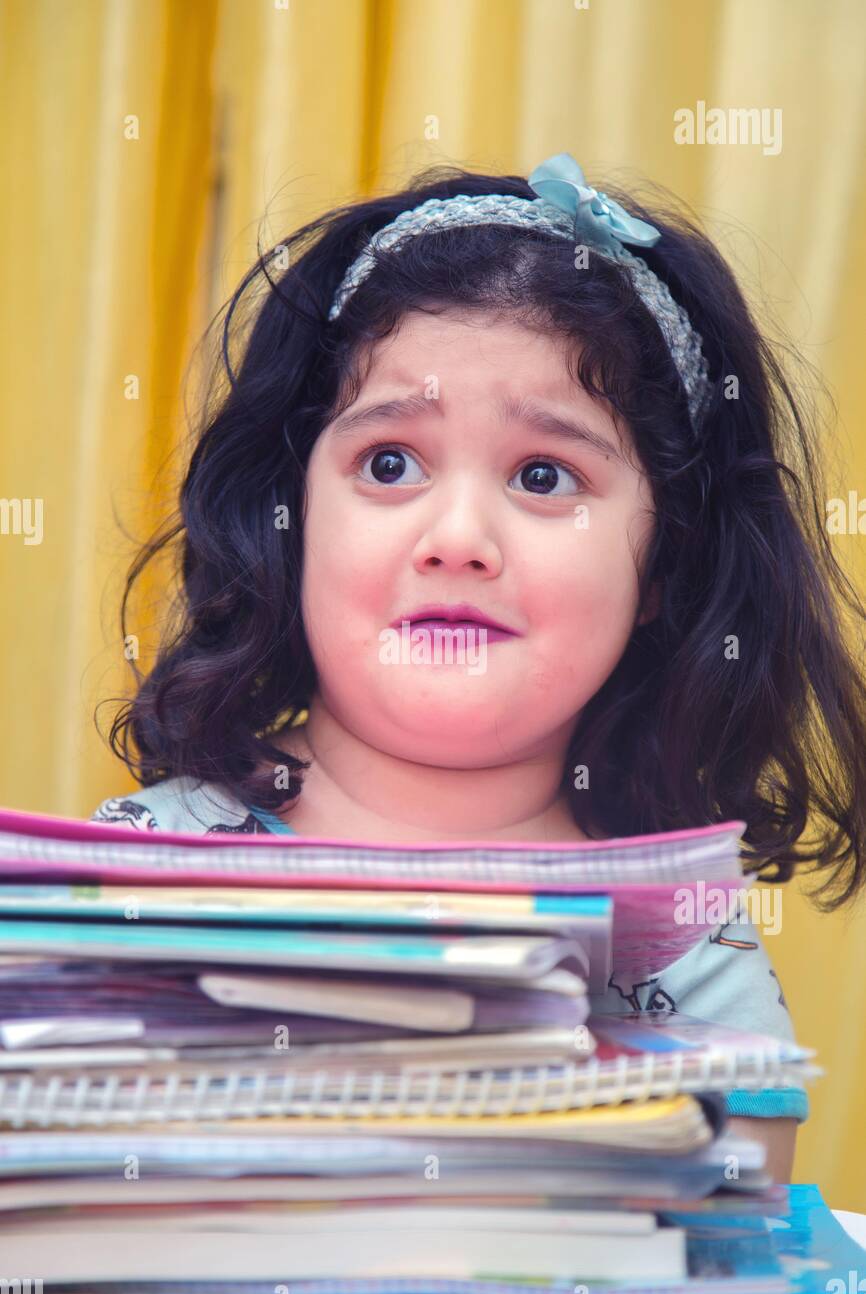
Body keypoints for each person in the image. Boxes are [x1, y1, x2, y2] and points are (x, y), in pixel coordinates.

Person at [91, 153, 866, 1183]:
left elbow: (735, 1241)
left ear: (663, 559)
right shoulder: (134, 868)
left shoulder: (675, 940)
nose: (456, 536)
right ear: (290, 518)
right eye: (388, 463)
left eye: (543, 476)